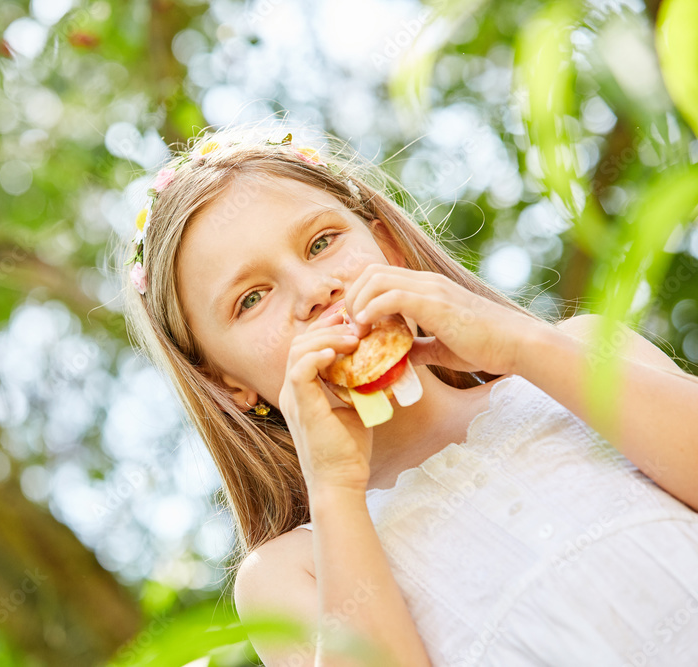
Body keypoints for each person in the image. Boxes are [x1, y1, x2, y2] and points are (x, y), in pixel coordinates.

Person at [117, 120, 698, 666]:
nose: (314, 291)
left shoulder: (580, 357)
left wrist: (522, 345)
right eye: (251, 298)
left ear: (388, 247)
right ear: (229, 383)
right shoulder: (289, 570)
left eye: (321, 243)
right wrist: (337, 489)